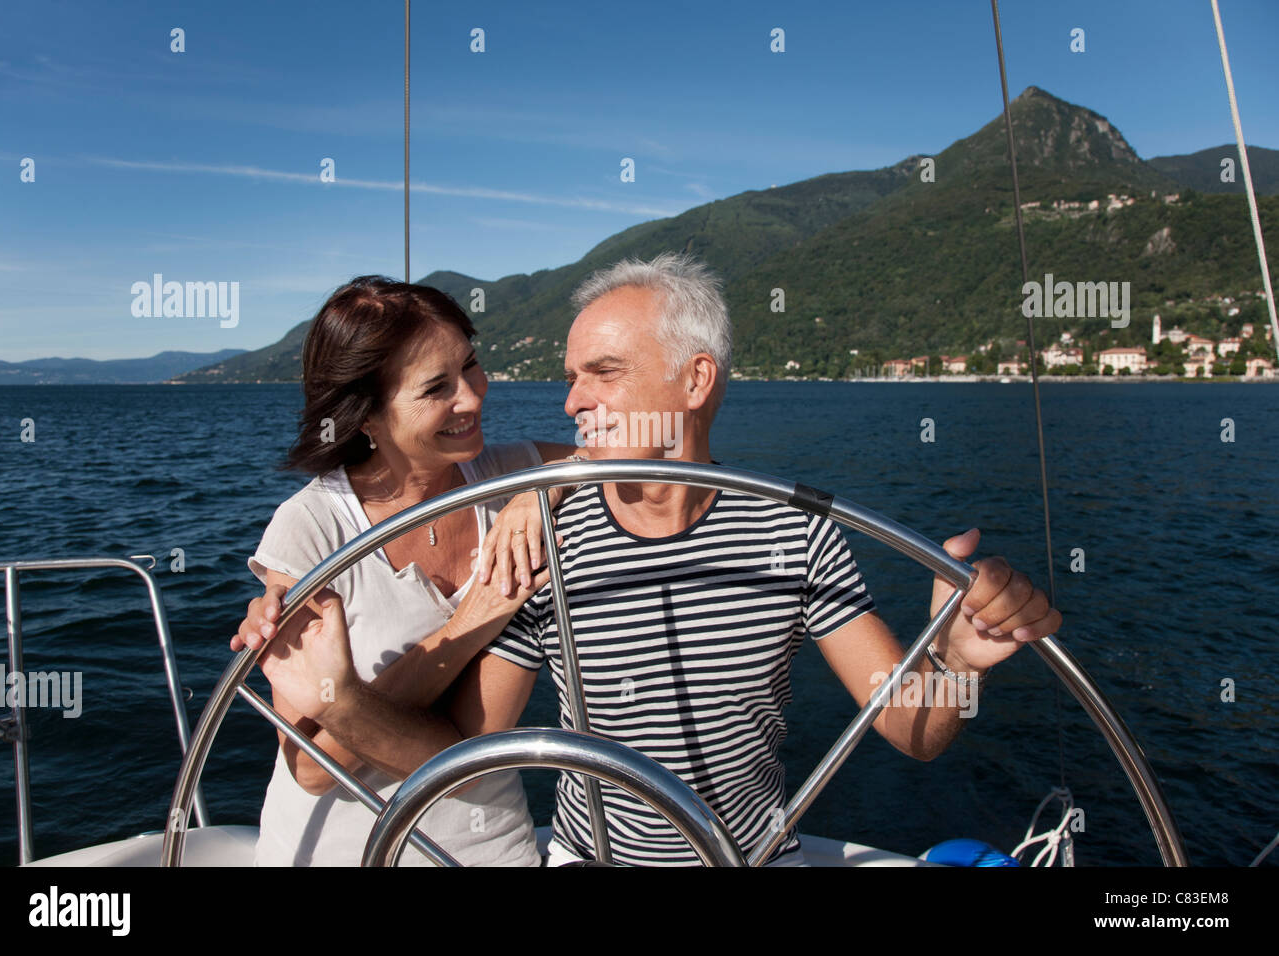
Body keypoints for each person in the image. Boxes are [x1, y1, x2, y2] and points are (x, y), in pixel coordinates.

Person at [248, 254, 1062, 866]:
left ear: (695, 379)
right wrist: (347, 700)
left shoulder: (794, 529)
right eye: (570, 378)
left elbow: (910, 729)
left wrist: (956, 658)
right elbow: (464, 750)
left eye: (601, 373)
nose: (570, 401)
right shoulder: (548, 544)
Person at [231, 275, 576, 866]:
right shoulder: (312, 529)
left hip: (493, 849)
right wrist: (471, 618)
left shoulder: (511, 474)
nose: (471, 397)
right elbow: (311, 769)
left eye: (470, 366)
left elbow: (622, 453)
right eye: (436, 388)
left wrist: (534, 493)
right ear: (365, 415)